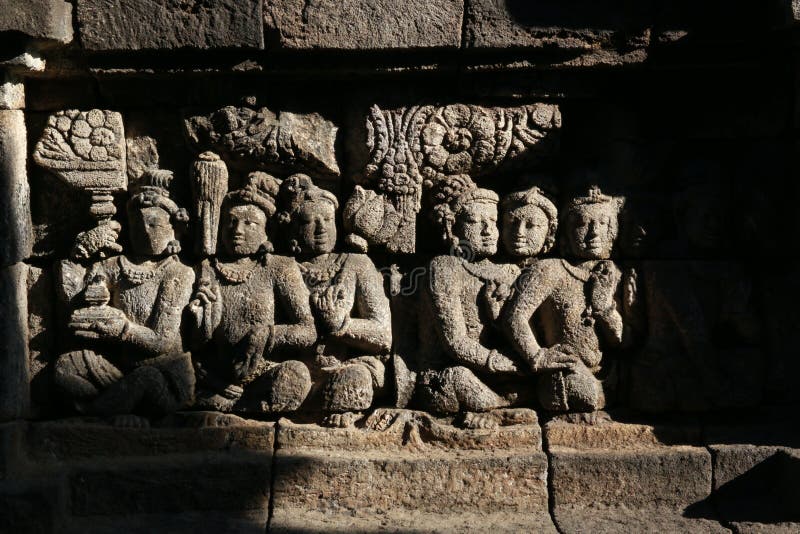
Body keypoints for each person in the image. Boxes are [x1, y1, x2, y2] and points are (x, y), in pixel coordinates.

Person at [54, 169, 195, 424]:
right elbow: (73, 299)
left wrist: (122, 329)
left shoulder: (178, 273)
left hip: (164, 376)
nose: (144, 230)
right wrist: (82, 251)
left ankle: (97, 415)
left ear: (173, 230)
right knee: (65, 367)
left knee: (145, 379)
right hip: (120, 368)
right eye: (137, 224)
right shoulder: (115, 265)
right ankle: (117, 407)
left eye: (153, 224)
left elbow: (161, 341)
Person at [188, 172, 317, 413]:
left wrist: (267, 334)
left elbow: (308, 330)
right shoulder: (207, 268)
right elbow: (191, 342)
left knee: (296, 376)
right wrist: (201, 321)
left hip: (263, 371)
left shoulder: (279, 267)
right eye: (231, 221)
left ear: (266, 232)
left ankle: (237, 406)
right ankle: (226, 399)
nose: (237, 230)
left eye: (249, 223)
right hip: (214, 372)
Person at [504, 186, 632, 412]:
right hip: (565, 372)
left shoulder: (616, 274)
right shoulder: (551, 270)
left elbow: (623, 342)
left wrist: (605, 310)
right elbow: (515, 316)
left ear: (613, 230)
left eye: (602, 224)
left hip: (610, 371)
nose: (593, 233)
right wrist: (537, 355)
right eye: (582, 224)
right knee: (585, 394)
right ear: (566, 233)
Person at [278, 174, 392, 426]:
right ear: (294, 228)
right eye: (310, 221)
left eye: (328, 220)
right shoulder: (283, 268)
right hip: (297, 367)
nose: (321, 228)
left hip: (349, 365)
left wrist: (343, 325)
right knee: (284, 382)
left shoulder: (357, 264)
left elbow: (383, 335)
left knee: (353, 383)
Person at [416, 175, 525, 425]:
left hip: (497, 372)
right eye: (476, 222)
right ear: (452, 228)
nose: (488, 230)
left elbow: (516, 331)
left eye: (493, 222)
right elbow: (454, 341)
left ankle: (499, 405)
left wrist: (498, 318)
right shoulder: (444, 268)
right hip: (448, 371)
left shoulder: (509, 272)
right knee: (459, 378)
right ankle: (501, 409)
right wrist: (496, 361)